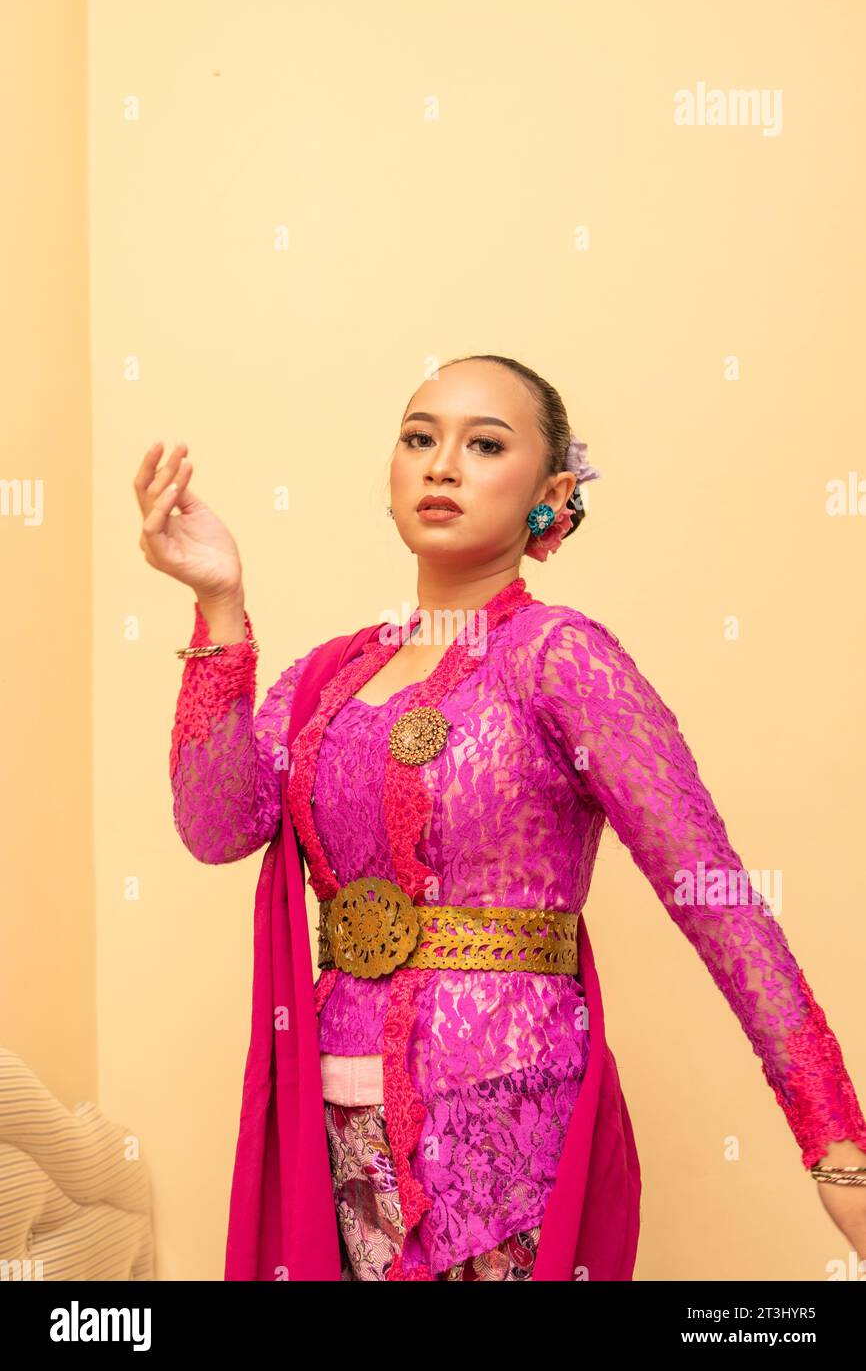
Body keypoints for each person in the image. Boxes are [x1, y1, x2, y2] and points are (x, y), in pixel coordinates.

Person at [135, 354, 866, 1280]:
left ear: (551, 493)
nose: (442, 465)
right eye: (419, 438)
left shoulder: (560, 661)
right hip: (330, 1124)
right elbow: (216, 827)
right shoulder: (330, 677)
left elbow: (715, 896)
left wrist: (835, 1137)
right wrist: (220, 605)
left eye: (484, 445)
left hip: (506, 1122)